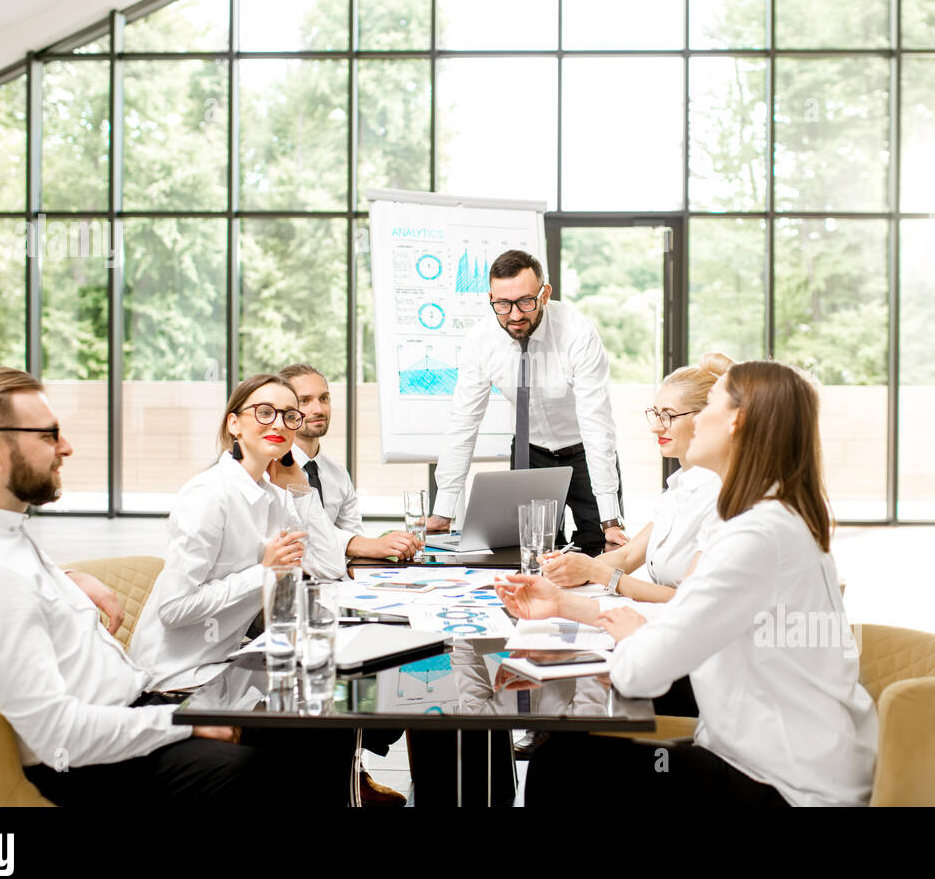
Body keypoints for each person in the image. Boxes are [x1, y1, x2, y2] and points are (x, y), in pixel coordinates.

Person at [498, 361, 879, 806]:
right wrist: (563, 604)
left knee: (563, 764)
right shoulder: (771, 516)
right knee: (576, 755)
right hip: (785, 761)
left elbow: (641, 673)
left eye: (710, 404)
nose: (692, 422)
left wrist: (635, 637)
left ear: (735, 421)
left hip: (782, 785)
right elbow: (684, 618)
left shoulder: (753, 537)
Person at [0, 366, 285, 805]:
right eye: (49, 435)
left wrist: (66, 578)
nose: (66, 447)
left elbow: (14, 586)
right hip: (93, 761)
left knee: (298, 724)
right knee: (265, 769)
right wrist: (183, 723)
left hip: (129, 710)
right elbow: (59, 734)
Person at [129, 374, 346, 693]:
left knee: (334, 692)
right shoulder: (209, 495)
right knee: (321, 719)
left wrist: (302, 487)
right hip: (173, 678)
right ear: (234, 423)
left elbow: (330, 567)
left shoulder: (273, 499)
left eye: (289, 415)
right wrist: (264, 572)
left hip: (225, 665)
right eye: (264, 411)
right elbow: (173, 609)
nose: (279, 424)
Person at [425, 250, 627, 555]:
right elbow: (463, 423)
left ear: (545, 294)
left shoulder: (577, 334)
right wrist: (444, 509)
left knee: (601, 550)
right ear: (491, 297)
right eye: (503, 305)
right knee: (528, 549)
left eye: (525, 302)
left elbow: (596, 425)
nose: (515, 315)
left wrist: (610, 518)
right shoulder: (482, 342)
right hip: (530, 453)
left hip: (585, 453)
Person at [539, 352, 731, 602]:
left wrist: (597, 572)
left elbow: (690, 600)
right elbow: (627, 556)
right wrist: (570, 567)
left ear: (706, 418)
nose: (655, 426)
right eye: (656, 413)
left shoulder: (722, 494)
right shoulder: (679, 487)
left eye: (669, 415)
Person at [272, 362, 421, 560]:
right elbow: (298, 541)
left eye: (324, 398)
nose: (318, 409)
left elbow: (355, 541)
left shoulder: (338, 473)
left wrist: (388, 546)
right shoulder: (271, 470)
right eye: (305, 401)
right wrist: (364, 545)